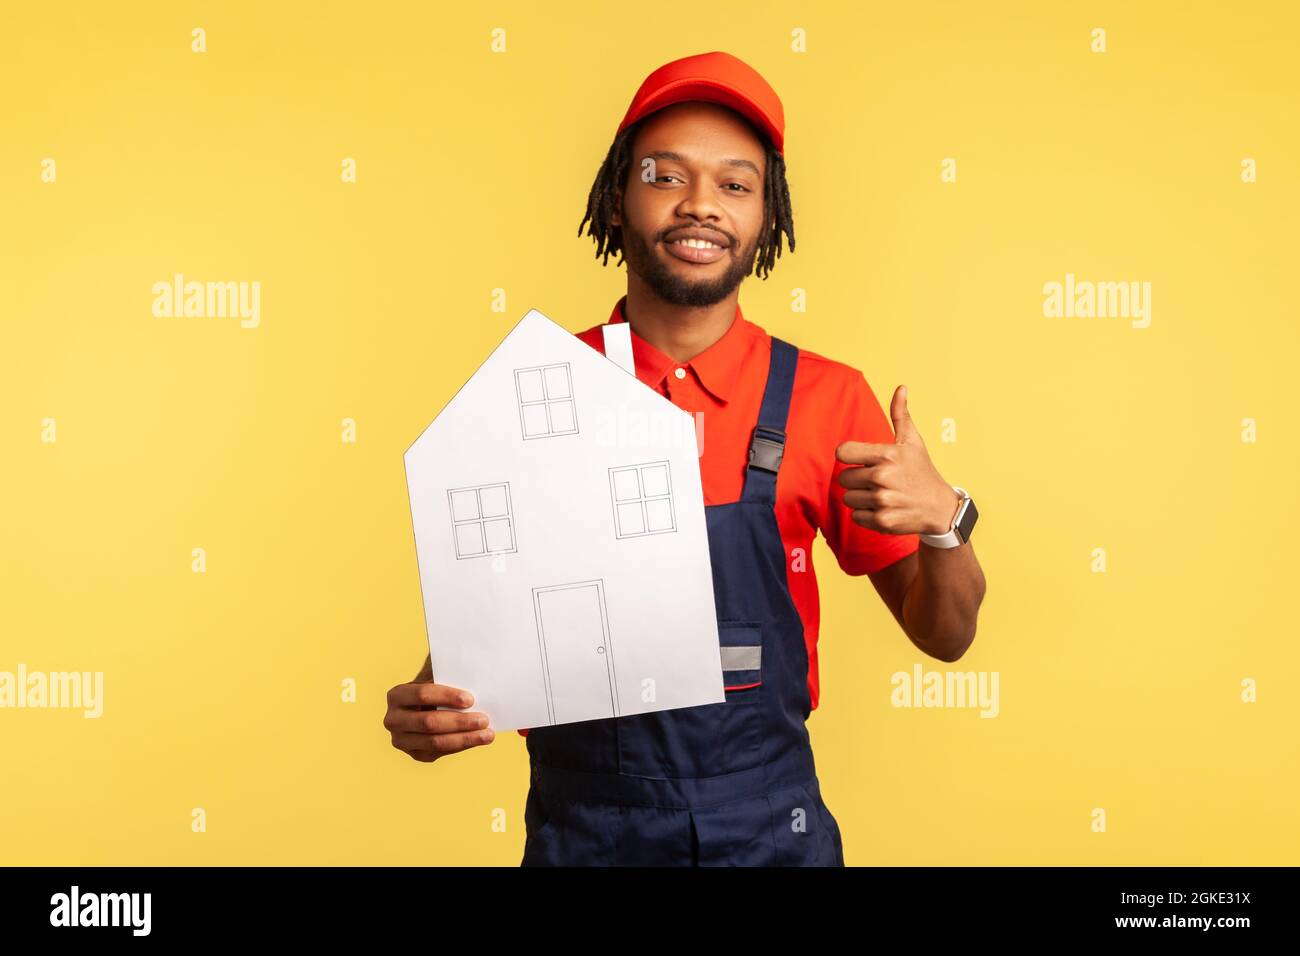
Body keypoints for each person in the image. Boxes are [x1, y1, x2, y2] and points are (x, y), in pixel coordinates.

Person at [384, 51, 987, 865]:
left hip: (772, 830)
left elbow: (944, 638)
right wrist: (433, 710)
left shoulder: (827, 398)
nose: (700, 205)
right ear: (617, 198)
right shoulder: (535, 391)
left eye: (735, 185)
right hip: (583, 834)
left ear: (767, 215)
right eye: (665, 176)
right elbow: (486, 646)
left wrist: (948, 520)